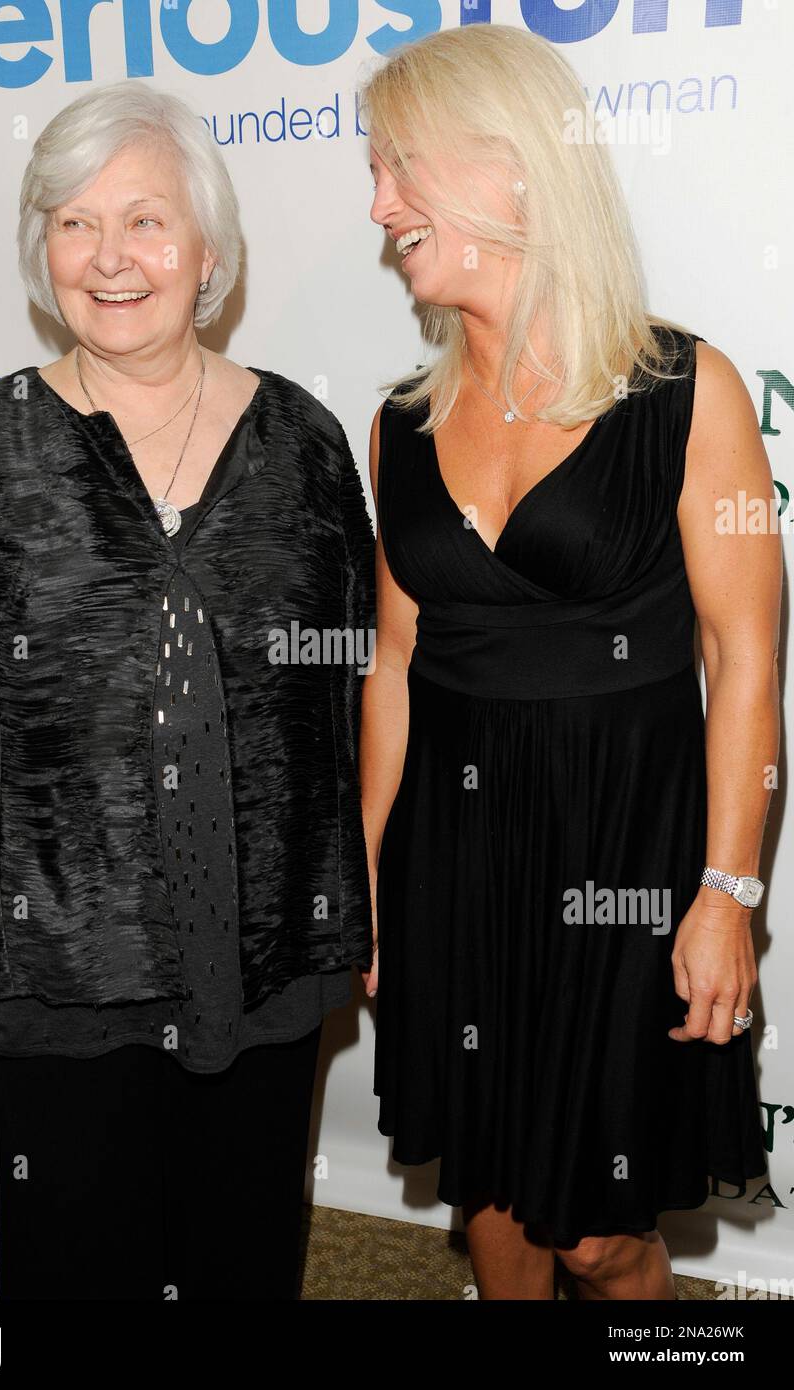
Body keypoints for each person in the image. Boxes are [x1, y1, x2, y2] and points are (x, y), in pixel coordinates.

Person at [0, 80, 375, 1301]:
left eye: (145, 220)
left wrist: (352, 898)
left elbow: (350, 698)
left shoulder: (304, 439)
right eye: (74, 222)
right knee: (73, 1268)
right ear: (43, 251)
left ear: (208, 251)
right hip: (58, 945)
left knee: (240, 1258)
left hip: (264, 942)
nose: (109, 256)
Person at [358, 26, 774, 1301]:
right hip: (454, 854)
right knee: (488, 1185)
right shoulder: (401, 423)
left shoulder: (680, 389)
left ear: (513, 168)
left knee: (596, 1230)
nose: (378, 209)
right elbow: (392, 660)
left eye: (399, 169)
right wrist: (367, 883)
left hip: (624, 850)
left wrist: (727, 892)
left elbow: (742, 653)